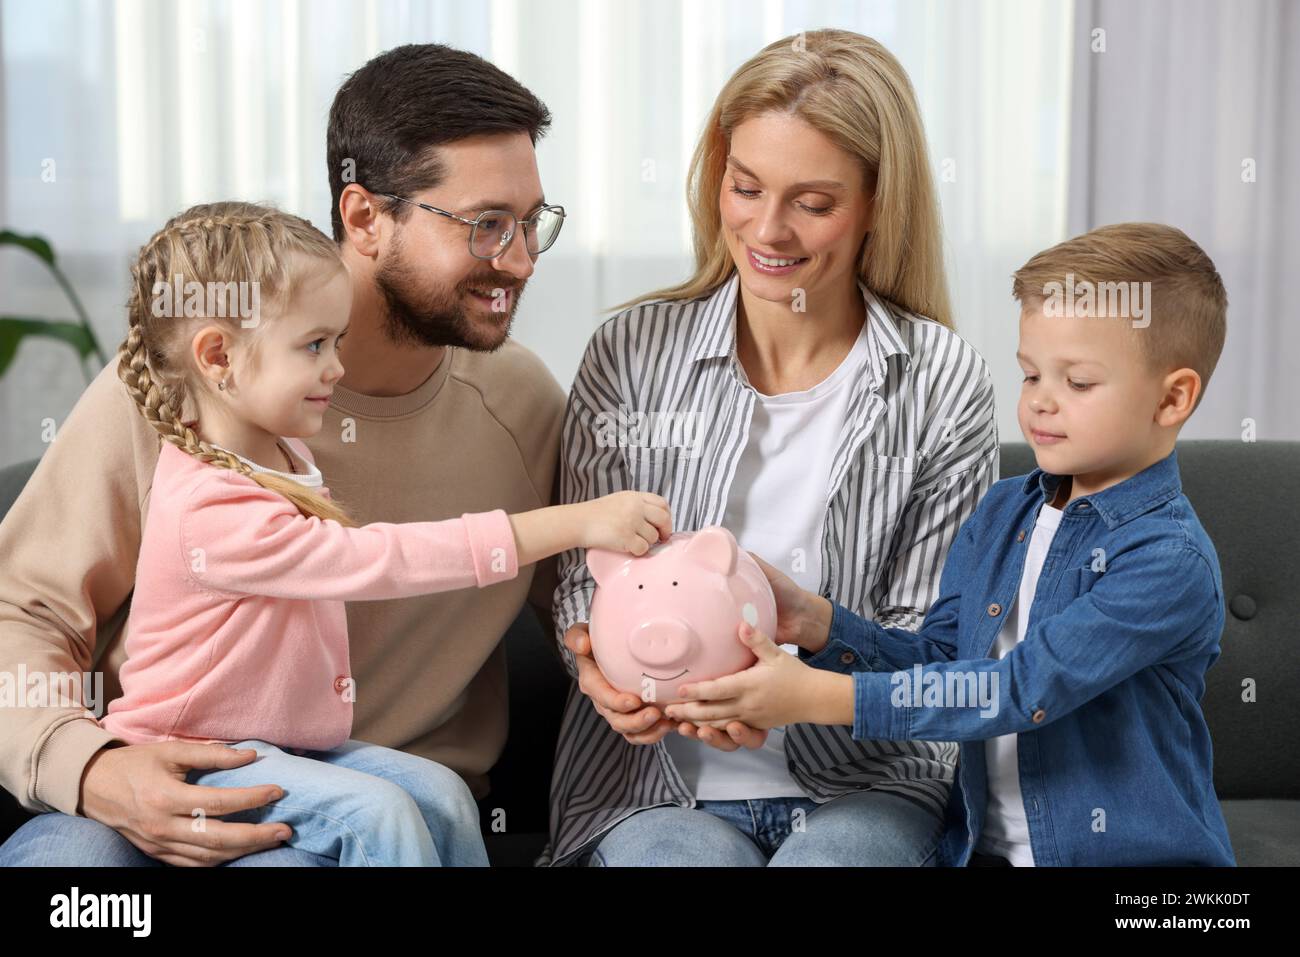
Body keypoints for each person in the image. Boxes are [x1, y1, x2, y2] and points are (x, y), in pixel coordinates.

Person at [0, 44, 571, 867]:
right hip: (150, 799)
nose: (519, 261)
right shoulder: (188, 384)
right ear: (366, 216)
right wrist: (89, 769)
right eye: (487, 225)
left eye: (532, 224)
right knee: (67, 869)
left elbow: (589, 602)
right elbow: (26, 607)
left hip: (386, 815)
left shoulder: (523, 406)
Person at [544, 29, 999, 866]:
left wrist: (817, 644)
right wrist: (597, 669)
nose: (768, 229)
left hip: (870, 779)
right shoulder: (631, 350)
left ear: (876, 205)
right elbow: (582, 569)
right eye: (746, 187)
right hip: (650, 787)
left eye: (814, 203)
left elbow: (939, 641)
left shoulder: (940, 379)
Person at [669, 223, 1236, 866]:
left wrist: (818, 697)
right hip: (980, 852)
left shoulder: (1167, 560)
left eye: (1077, 383)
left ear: (1173, 397)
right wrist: (819, 623)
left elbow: (1019, 689)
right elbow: (942, 661)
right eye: (1030, 376)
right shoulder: (1004, 510)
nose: (1042, 404)